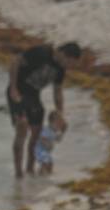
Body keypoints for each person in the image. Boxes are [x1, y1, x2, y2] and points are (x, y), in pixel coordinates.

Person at [7, 41, 82, 178]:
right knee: (22, 127)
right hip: (18, 91)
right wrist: (13, 88)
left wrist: (60, 114)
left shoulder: (60, 70)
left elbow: (57, 92)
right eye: (70, 62)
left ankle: (30, 170)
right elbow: (15, 61)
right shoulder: (42, 53)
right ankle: (18, 173)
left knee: (36, 134)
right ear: (64, 54)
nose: (69, 66)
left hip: (34, 96)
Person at [34, 110, 66, 175]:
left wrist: (62, 132)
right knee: (45, 163)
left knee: (50, 164)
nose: (59, 126)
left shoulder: (54, 131)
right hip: (40, 150)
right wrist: (47, 145)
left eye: (60, 123)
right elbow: (42, 138)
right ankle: (41, 174)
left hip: (46, 151)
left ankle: (48, 175)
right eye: (58, 123)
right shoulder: (47, 129)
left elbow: (58, 140)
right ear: (51, 122)